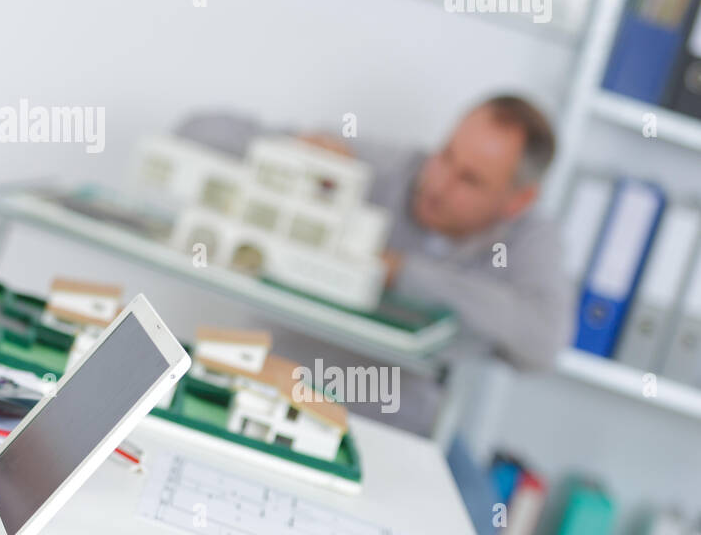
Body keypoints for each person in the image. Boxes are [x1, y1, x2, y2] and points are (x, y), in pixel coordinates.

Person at [176, 94, 575, 373]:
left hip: (404, 425)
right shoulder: (381, 167)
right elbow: (194, 132)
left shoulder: (529, 240)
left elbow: (543, 342)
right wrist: (290, 150)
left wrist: (400, 272)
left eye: (469, 180)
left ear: (518, 200)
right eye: (446, 154)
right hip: (277, 374)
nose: (437, 182)